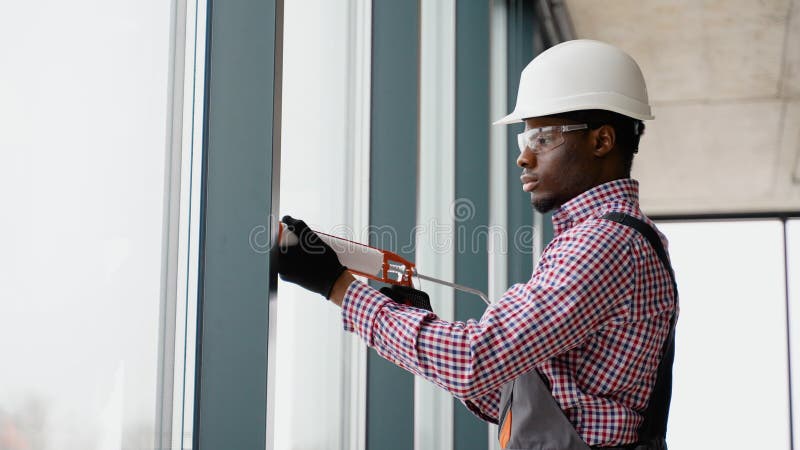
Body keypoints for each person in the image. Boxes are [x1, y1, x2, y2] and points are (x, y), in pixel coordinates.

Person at [278, 39, 678, 450]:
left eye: (542, 139)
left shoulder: (603, 243)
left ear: (601, 141)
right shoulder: (618, 239)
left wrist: (338, 288)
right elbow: (529, 401)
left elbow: (473, 361)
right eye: (524, 141)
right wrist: (421, 321)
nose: (523, 158)